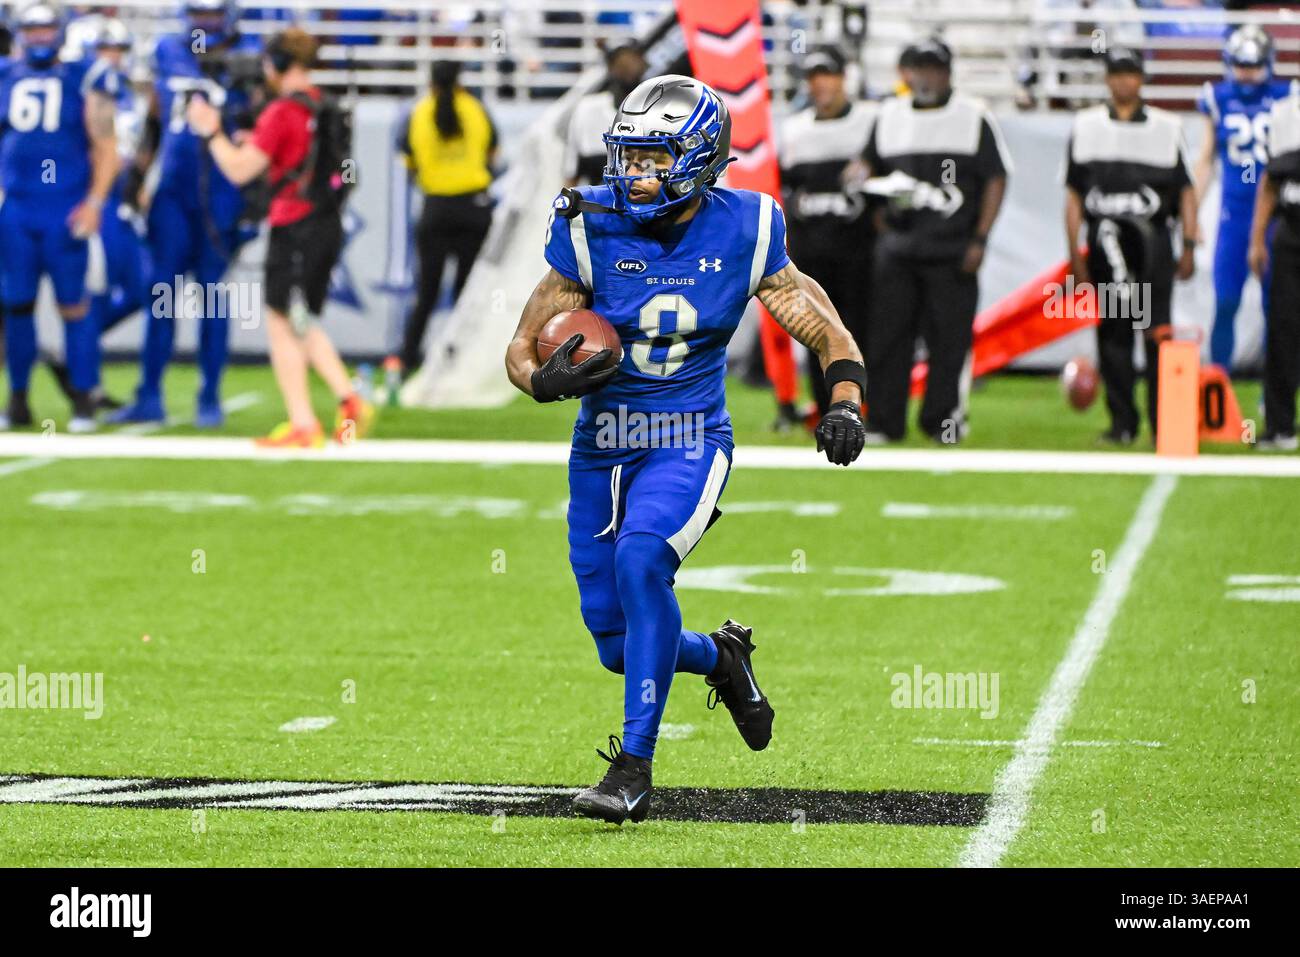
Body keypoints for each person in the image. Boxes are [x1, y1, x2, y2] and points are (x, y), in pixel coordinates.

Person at [504, 75, 867, 825]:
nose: (633, 174)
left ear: (698, 158)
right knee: (617, 642)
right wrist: (545, 380)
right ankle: (721, 656)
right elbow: (520, 345)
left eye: (651, 159)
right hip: (604, 444)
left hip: (688, 435)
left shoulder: (746, 226)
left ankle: (633, 768)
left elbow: (825, 325)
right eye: (627, 158)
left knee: (643, 562)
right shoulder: (589, 224)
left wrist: (844, 400)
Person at [186, 27, 373, 448]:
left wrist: (211, 132)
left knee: (281, 320)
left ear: (279, 64)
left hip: (294, 223)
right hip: (325, 222)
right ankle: (336, 404)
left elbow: (238, 170)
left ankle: (314, 416)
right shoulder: (323, 104)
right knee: (296, 316)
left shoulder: (280, 111)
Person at [109, 0, 262, 428]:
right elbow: (156, 120)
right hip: (174, 193)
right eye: (198, 16)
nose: (204, 25)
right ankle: (150, 394)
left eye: (211, 16)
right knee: (162, 296)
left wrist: (253, 203)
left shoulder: (249, 52)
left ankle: (210, 395)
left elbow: (258, 126)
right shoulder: (168, 50)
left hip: (221, 193)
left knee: (212, 297)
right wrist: (137, 183)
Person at [859, 37, 1009, 444]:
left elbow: (996, 178)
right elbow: (865, 165)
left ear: (947, 73)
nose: (926, 76)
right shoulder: (889, 114)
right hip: (898, 249)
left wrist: (979, 238)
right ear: (908, 73)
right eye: (919, 68)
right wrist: (867, 193)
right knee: (888, 340)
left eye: (934, 69)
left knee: (950, 342)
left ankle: (943, 422)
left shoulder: (973, 116)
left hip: (952, 249)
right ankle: (885, 423)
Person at [1064, 47, 1198, 445]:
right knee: (1114, 335)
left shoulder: (1166, 127)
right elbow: (1073, 196)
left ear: (1142, 78)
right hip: (1106, 245)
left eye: (1131, 73)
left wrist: (1189, 244)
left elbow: (1187, 192)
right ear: (1107, 78)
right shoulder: (1086, 126)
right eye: (1117, 73)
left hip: (1154, 244)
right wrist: (1075, 253)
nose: (1124, 81)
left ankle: (1164, 424)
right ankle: (1123, 424)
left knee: (1156, 332)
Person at [0, 2, 118, 433]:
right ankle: (17, 400)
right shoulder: (6, 75)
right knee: (16, 307)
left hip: (64, 207)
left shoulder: (83, 76)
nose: (39, 37)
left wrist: (95, 201)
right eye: (32, 30)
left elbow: (106, 145)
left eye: (47, 28)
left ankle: (84, 398)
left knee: (73, 305)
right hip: (17, 208)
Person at [779, 45, 876, 416]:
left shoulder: (869, 121)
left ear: (843, 78)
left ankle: (860, 405)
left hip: (858, 248)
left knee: (861, 329)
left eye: (828, 74)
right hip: (811, 250)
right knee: (814, 330)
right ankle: (824, 409)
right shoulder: (794, 130)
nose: (821, 84)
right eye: (814, 76)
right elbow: (783, 186)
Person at [1194, 26, 1294, 371]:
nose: (1247, 74)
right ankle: (1219, 385)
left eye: (1254, 65)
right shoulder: (1217, 98)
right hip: (1233, 216)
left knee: (1276, 307)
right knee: (1225, 301)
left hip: (1277, 214)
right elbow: (1206, 158)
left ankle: (1272, 394)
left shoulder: (1288, 96)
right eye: (1241, 65)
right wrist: (1191, 211)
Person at [396, 60, 497, 375]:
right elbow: (493, 154)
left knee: (427, 291)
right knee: (467, 294)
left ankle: (407, 358)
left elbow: (409, 161)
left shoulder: (418, 112)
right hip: (474, 208)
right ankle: (462, 362)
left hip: (435, 209)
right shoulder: (476, 109)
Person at [1248, 86, 1300, 451]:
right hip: (1292, 234)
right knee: (1282, 329)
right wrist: (1256, 238)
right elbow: (1268, 181)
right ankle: (1280, 425)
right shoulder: (1283, 115)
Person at [562, 43, 647, 188]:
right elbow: (572, 170)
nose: (629, 67)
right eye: (622, 62)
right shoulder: (588, 108)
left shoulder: (656, 109)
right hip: (600, 202)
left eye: (633, 59)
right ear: (611, 67)